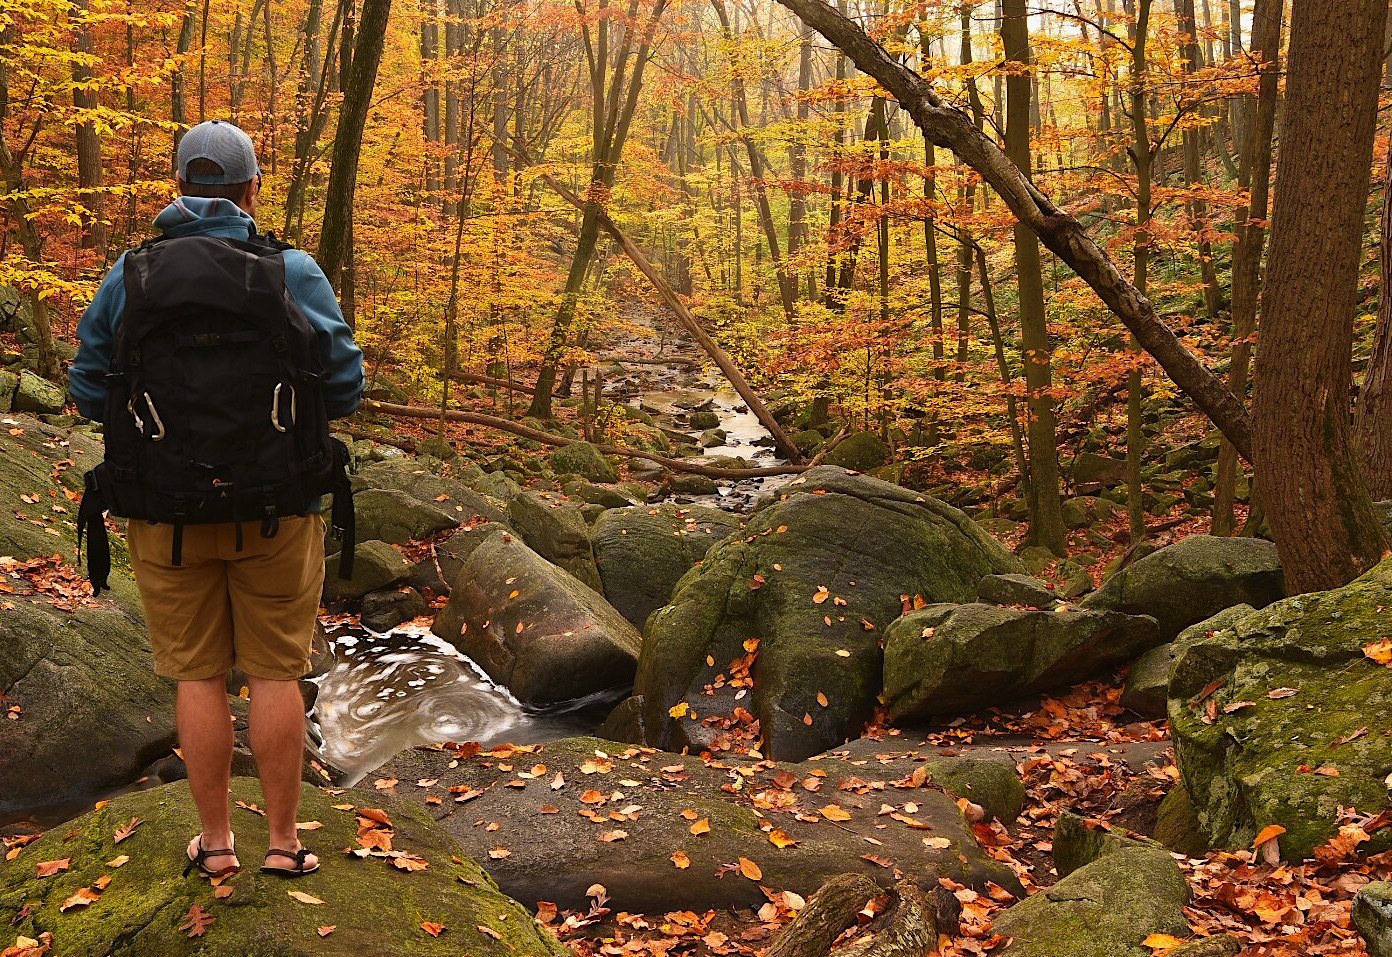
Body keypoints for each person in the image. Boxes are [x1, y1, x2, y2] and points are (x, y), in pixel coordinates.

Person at [70, 120, 364, 880]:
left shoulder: (129, 274)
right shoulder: (291, 270)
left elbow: (84, 387)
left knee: (197, 675)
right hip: (277, 507)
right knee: (274, 671)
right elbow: (346, 386)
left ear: (177, 188)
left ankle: (218, 844)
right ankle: (285, 843)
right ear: (251, 189)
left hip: (165, 515)